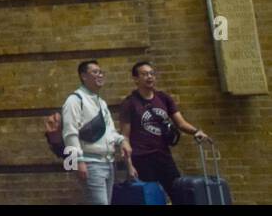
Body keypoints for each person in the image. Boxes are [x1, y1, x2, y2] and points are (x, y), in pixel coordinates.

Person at [118, 61, 209, 202]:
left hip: (163, 155)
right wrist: (129, 165)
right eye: (144, 74)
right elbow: (125, 137)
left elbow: (181, 123)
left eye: (151, 73)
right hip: (142, 158)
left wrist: (196, 131)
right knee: (151, 197)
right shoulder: (129, 103)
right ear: (135, 79)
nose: (149, 77)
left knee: (179, 193)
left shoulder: (163, 98)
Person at [61, 59, 135, 204]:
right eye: (95, 72)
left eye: (101, 72)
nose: (100, 75)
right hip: (90, 163)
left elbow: (110, 131)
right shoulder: (74, 100)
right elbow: (70, 134)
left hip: (108, 163)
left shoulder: (101, 103)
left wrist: (122, 141)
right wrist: (78, 161)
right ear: (83, 76)